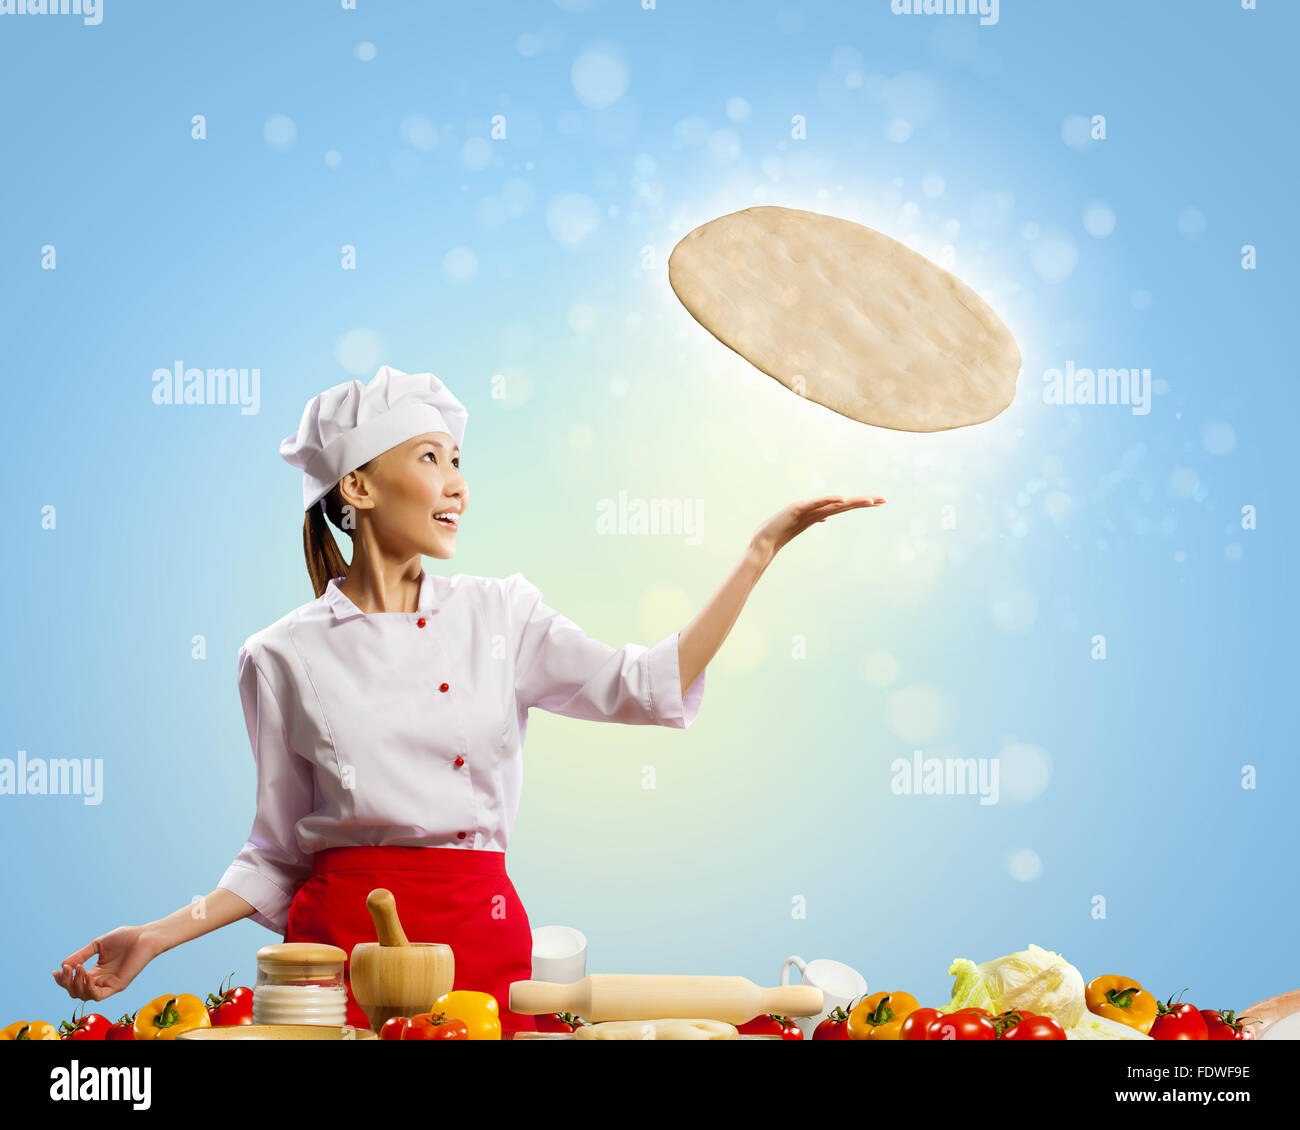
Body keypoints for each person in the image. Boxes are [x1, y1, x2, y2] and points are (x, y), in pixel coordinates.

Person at [53, 364, 884, 1033]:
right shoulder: (279, 655)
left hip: (483, 941)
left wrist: (758, 553)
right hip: (343, 954)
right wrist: (160, 935)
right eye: (430, 459)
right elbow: (274, 854)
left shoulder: (502, 614)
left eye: (458, 462)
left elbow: (644, 686)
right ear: (358, 489)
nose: (457, 485)